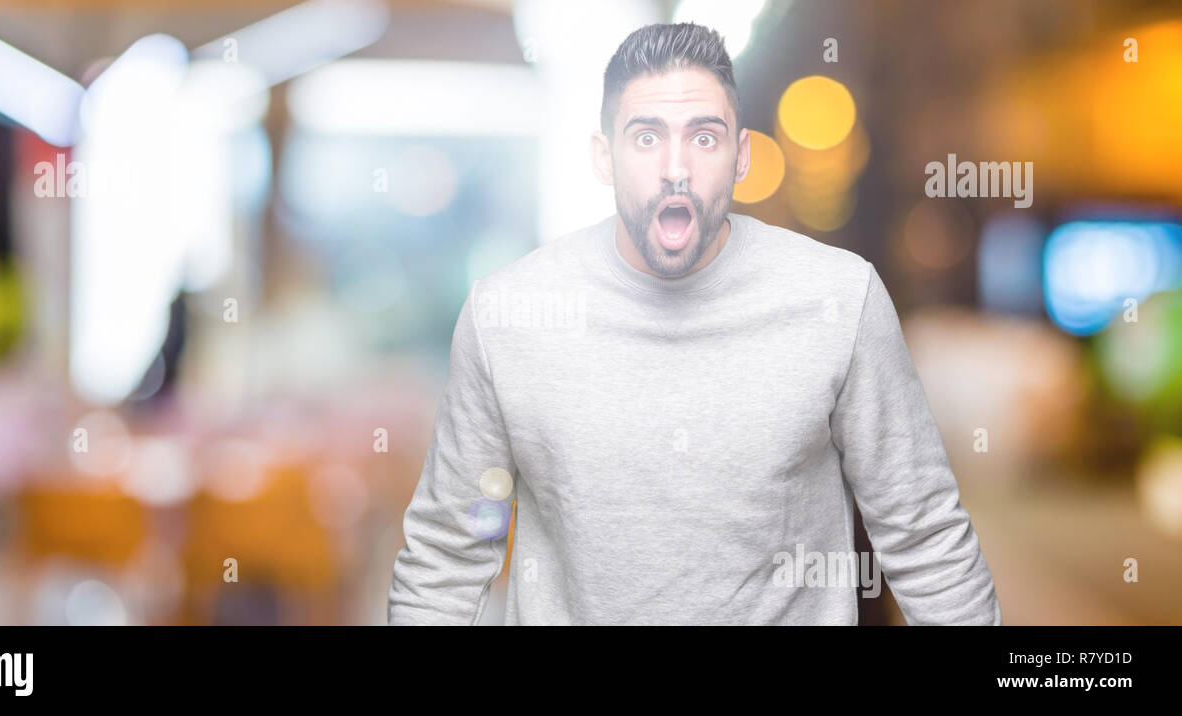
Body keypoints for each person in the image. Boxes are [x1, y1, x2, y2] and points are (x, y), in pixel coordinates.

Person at [387, 22, 1002, 625]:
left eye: (704, 138)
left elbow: (923, 535)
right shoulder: (508, 317)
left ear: (741, 156)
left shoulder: (840, 300)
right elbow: (448, 552)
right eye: (646, 137)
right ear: (604, 157)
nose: (675, 168)